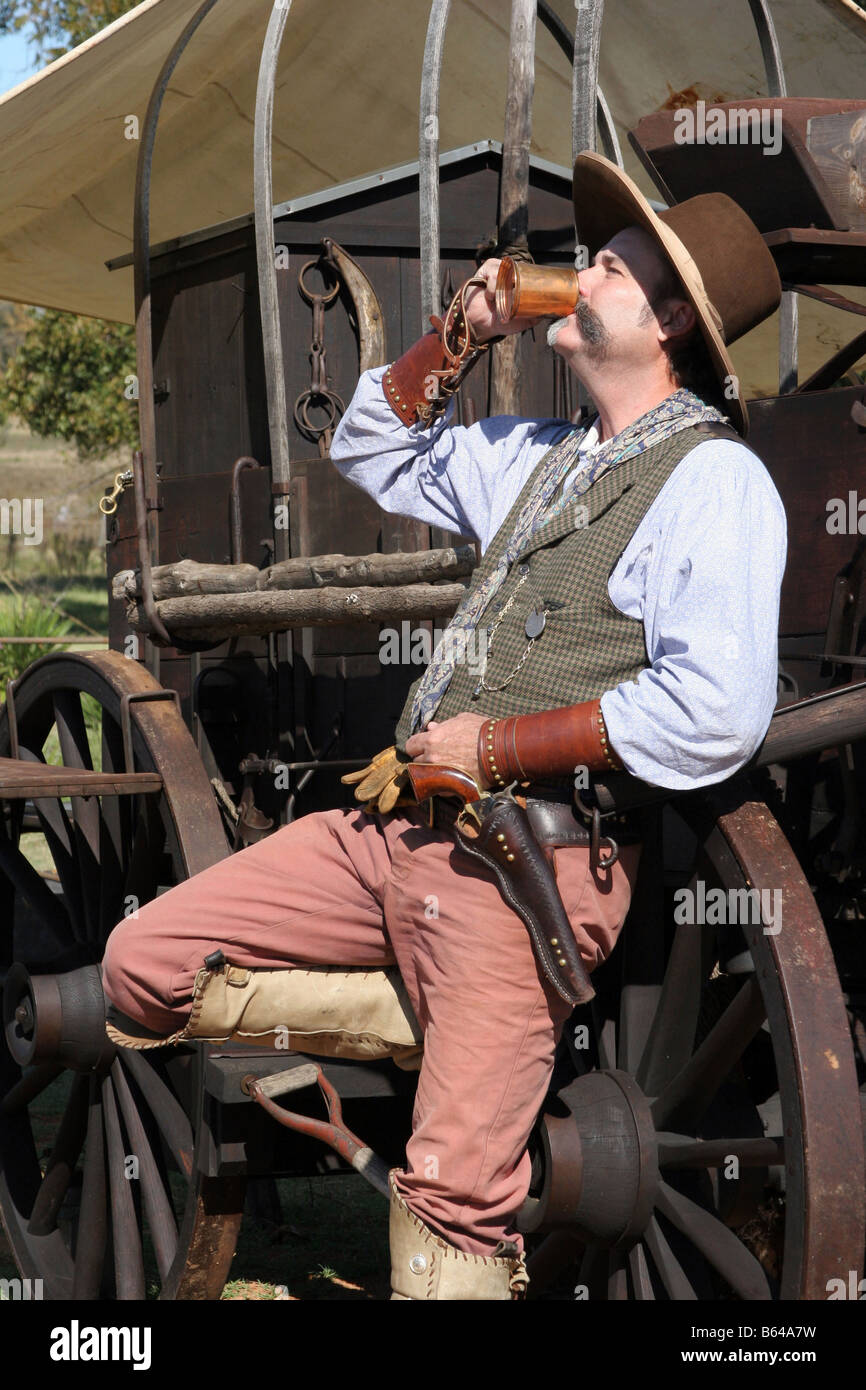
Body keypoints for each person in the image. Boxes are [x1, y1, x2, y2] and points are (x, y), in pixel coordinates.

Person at [101, 152, 787, 1300]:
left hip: (519, 871)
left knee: (448, 1214)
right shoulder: (541, 454)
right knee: (139, 965)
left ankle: (455, 1029)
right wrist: (453, 338)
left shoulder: (714, 484)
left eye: (607, 271)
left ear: (669, 319)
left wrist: (494, 746)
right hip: (389, 837)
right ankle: (416, 1008)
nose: (573, 280)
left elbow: (713, 712)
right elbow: (370, 444)